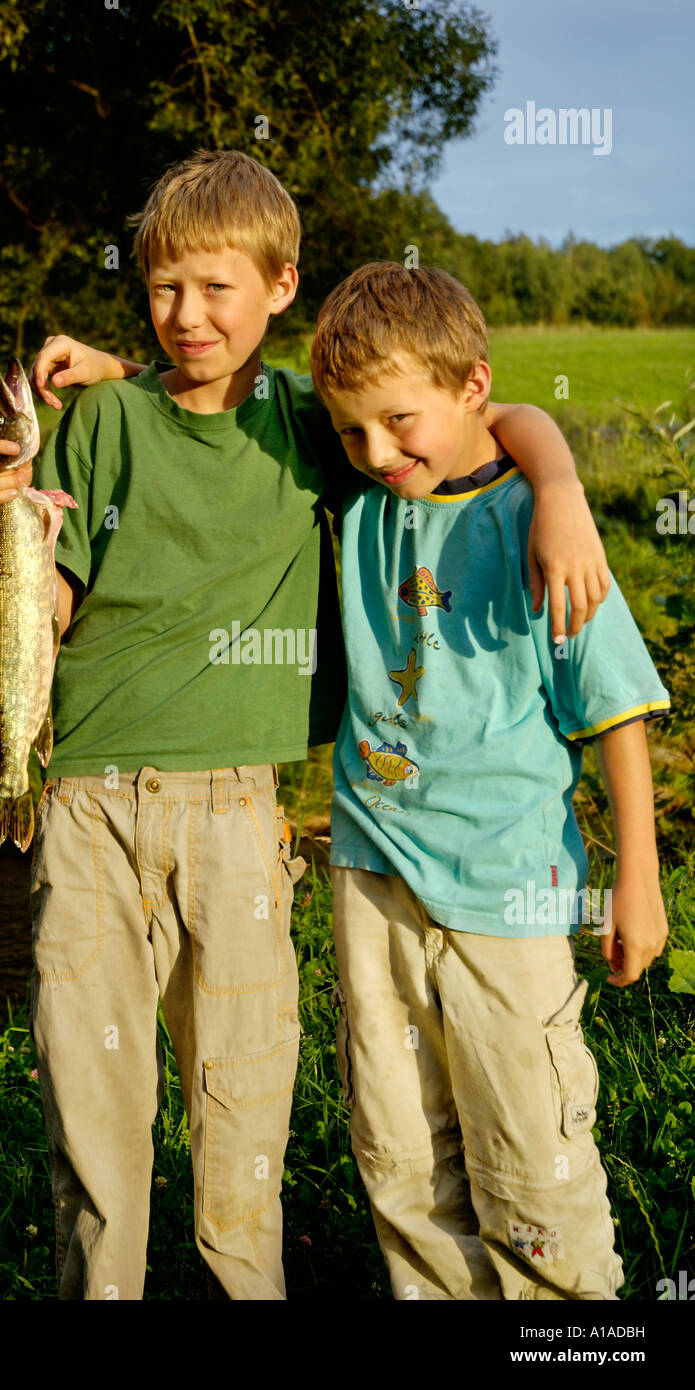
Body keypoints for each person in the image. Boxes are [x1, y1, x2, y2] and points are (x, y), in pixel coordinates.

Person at [0, 150, 611, 1300]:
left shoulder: (315, 425)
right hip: (86, 798)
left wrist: (555, 488)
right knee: (92, 1111)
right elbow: (50, 598)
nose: (187, 314)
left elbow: (479, 413)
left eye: (217, 289)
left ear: (279, 287)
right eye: (164, 290)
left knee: (240, 1109)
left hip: (234, 808)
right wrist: (15, 511)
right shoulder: (105, 422)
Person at [307, 260, 670, 1300]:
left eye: (396, 422)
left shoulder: (540, 531)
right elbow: (234, 395)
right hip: (373, 875)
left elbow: (614, 711)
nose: (376, 454)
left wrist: (635, 881)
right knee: (400, 1152)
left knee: (529, 1161)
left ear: (471, 388)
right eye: (350, 433)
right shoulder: (370, 487)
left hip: (505, 894)